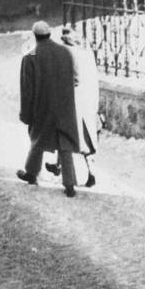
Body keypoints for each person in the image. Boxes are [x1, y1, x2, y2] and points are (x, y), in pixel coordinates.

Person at [17, 20, 80, 197]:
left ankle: (31, 173)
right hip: (65, 106)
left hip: (43, 106)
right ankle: (69, 184)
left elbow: (26, 90)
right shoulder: (65, 52)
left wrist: (26, 114)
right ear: (49, 34)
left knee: (38, 140)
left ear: (35, 36)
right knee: (64, 143)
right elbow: (75, 79)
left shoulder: (30, 57)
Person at [46, 25, 99, 188]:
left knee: (69, 137)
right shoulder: (87, 55)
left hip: (74, 104)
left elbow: (73, 81)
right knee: (87, 138)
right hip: (88, 103)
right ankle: (88, 172)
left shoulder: (69, 55)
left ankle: (74, 172)